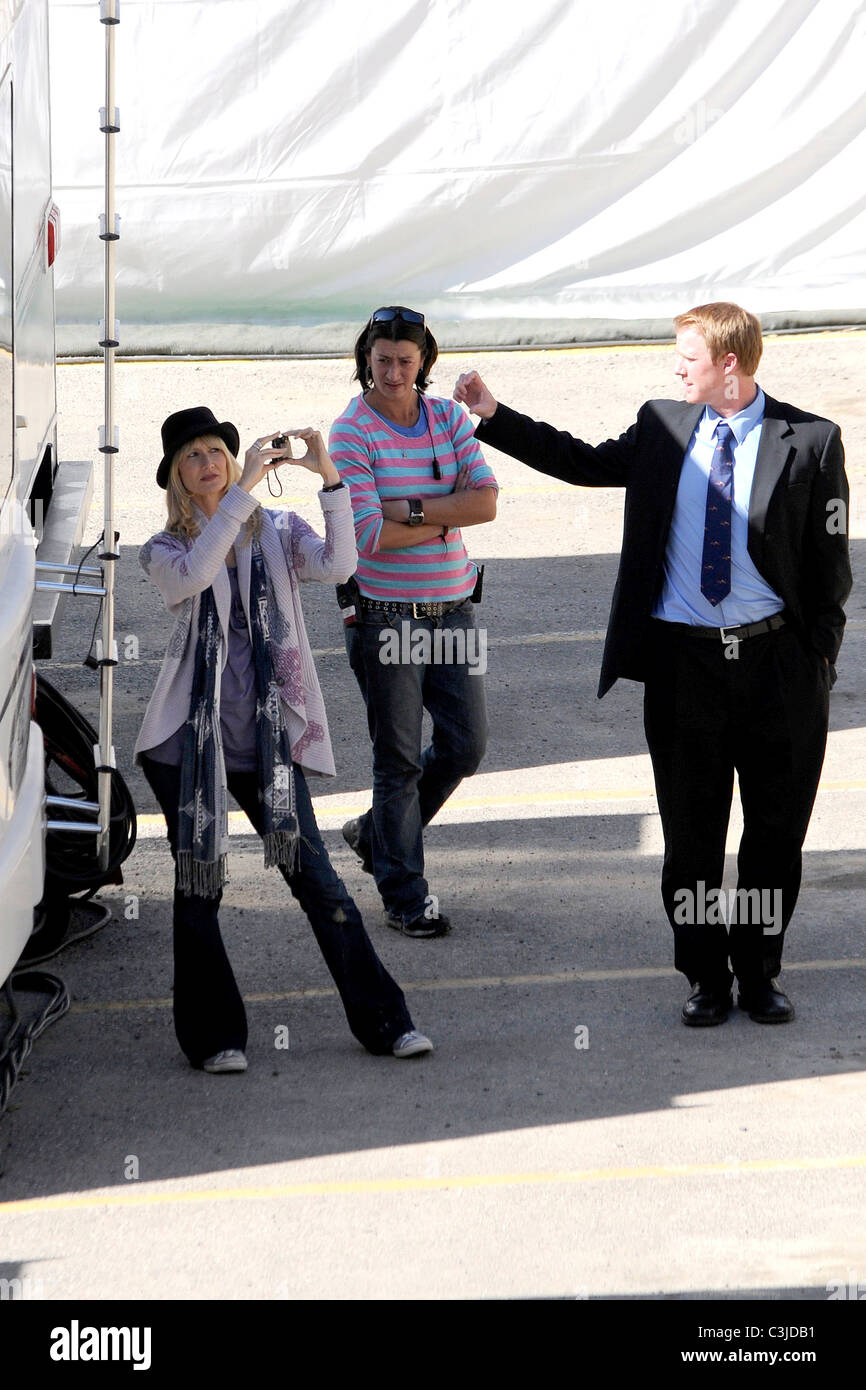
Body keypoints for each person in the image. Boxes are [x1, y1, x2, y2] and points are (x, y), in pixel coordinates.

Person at [455, 302, 851, 1026]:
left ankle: (759, 974)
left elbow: (831, 567)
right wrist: (495, 415)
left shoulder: (812, 441)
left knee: (772, 837)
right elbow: (582, 462)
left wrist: (819, 653)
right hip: (685, 673)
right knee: (692, 838)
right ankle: (705, 975)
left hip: (778, 673)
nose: (675, 368)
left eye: (687, 357)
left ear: (729, 363)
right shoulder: (664, 427)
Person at [134, 405, 433, 1072]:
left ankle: (387, 1023)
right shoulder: (166, 550)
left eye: (217, 449)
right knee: (198, 890)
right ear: (178, 479)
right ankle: (214, 1040)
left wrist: (328, 473)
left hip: (267, 746)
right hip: (189, 746)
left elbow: (339, 562)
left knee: (319, 883)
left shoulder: (275, 531)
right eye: (193, 457)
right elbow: (197, 575)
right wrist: (243, 494)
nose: (208, 462)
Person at [329, 307, 498, 938]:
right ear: (366, 361)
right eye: (382, 361)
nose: (394, 372)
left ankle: (377, 835)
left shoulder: (451, 418)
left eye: (405, 360)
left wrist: (413, 506)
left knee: (466, 745)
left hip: (455, 608)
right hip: (385, 617)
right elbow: (369, 534)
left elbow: (486, 502)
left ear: (424, 360)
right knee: (397, 759)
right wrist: (446, 513)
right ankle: (404, 892)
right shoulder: (351, 433)